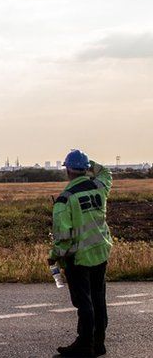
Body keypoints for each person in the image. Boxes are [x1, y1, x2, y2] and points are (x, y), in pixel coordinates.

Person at [49, 149, 113, 357]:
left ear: (67, 170)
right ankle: (98, 343)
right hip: (100, 252)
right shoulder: (99, 187)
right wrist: (87, 162)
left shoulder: (65, 200)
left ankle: (85, 344)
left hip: (78, 257)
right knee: (98, 298)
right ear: (86, 169)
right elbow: (106, 172)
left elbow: (63, 237)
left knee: (84, 302)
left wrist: (55, 255)